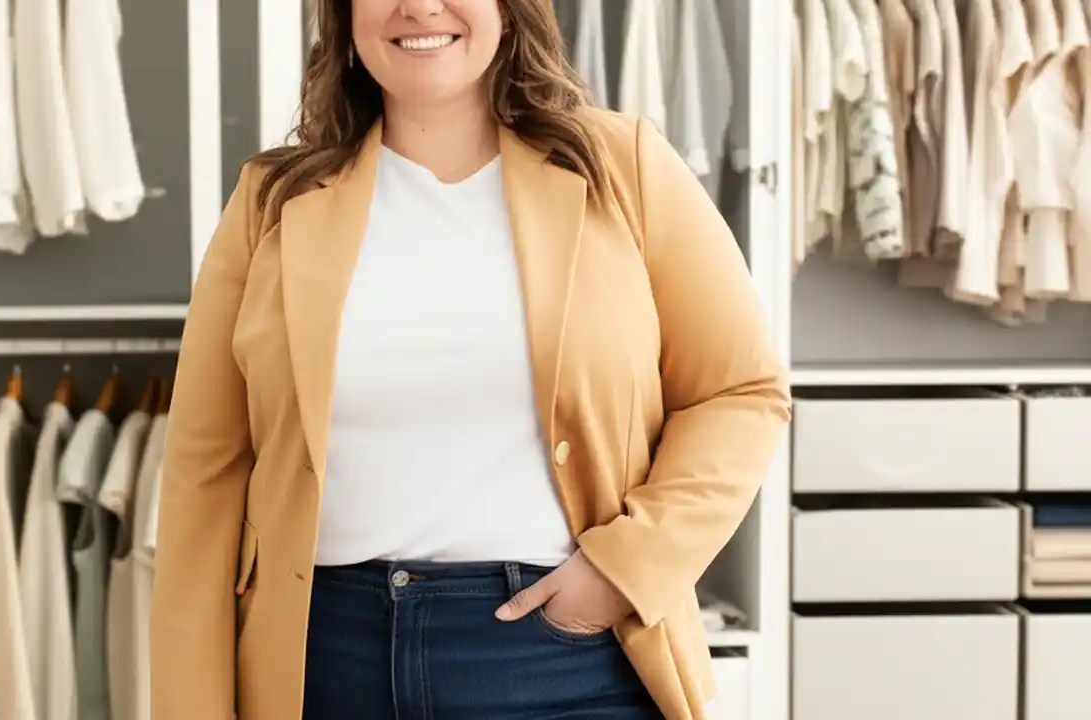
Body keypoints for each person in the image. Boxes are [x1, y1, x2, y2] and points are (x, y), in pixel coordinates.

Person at [150, 1, 791, 718]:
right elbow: (205, 474)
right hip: (322, 663)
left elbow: (739, 391)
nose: (420, 7)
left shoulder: (623, 165)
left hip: (567, 662)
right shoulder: (270, 201)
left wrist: (624, 570)